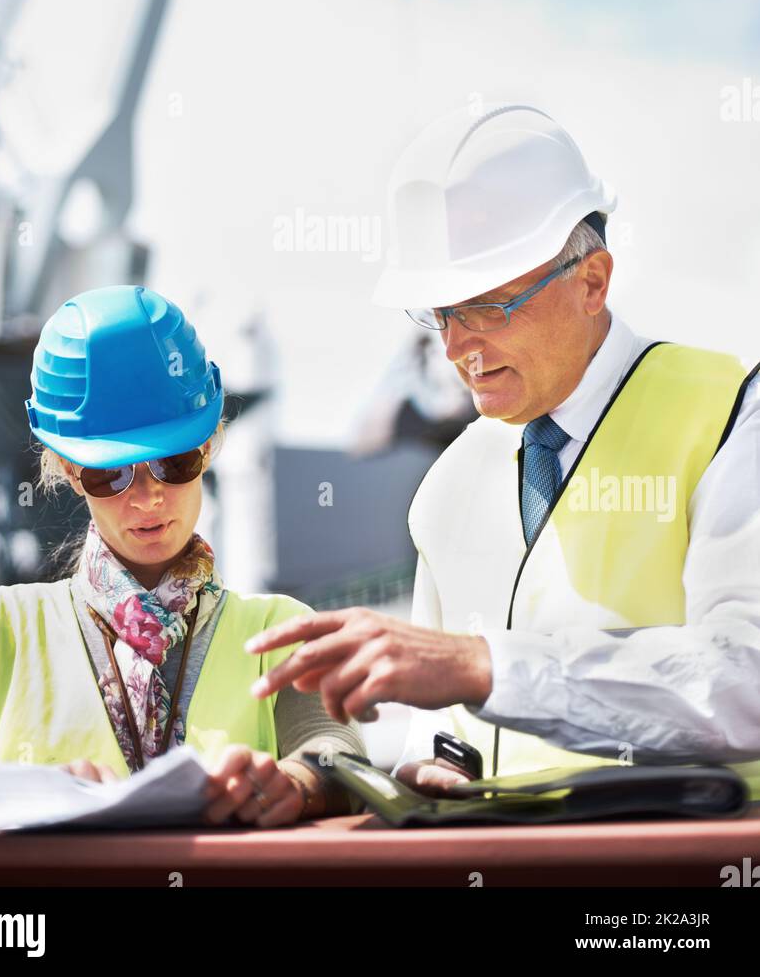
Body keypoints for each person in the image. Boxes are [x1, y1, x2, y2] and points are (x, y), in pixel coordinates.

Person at [244, 103, 760, 801]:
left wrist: (488, 667)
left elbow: (745, 680)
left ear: (593, 281)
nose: (457, 347)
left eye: (487, 305)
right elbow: (446, 719)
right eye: (441, 313)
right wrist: (440, 759)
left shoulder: (732, 412)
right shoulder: (449, 486)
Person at [0, 284, 367, 825]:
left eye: (176, 461)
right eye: (110, 473)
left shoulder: (284, 632)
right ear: (71, 473)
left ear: (209, 447)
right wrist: (10, 787)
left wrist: (295, 784)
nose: (148, 497)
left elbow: (337, 753)